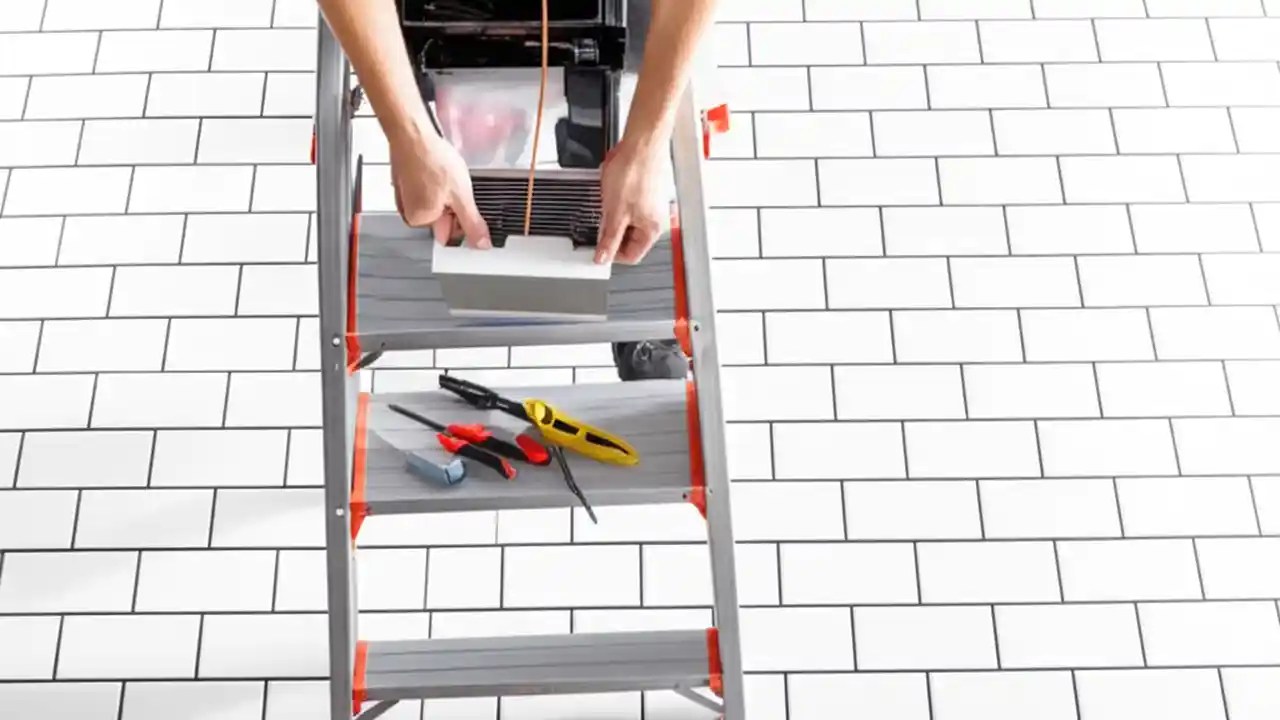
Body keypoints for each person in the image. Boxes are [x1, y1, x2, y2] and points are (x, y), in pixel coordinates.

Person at [316, 0, 720, 268]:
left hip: (607, 27)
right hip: (446, 31)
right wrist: (409, 134)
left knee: (613, 178)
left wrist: (647, 145)